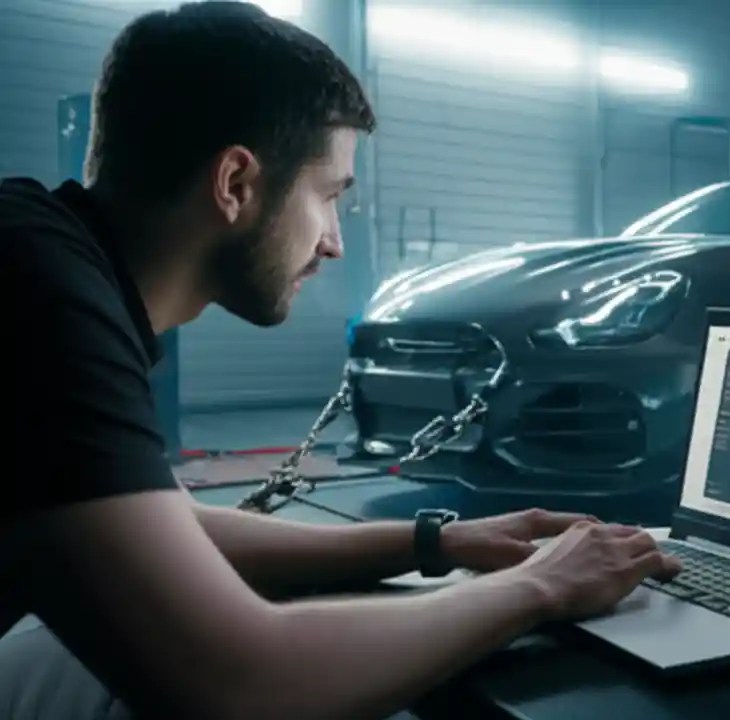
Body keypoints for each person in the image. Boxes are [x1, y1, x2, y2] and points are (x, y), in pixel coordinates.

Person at [0, 3, 681, 719]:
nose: (334, 243)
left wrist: (440, 541)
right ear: (235, 183)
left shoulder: (46, 255)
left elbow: (162, 526)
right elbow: (238, 683)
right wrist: (541, 586)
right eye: (329, 197)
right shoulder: (41, 296)